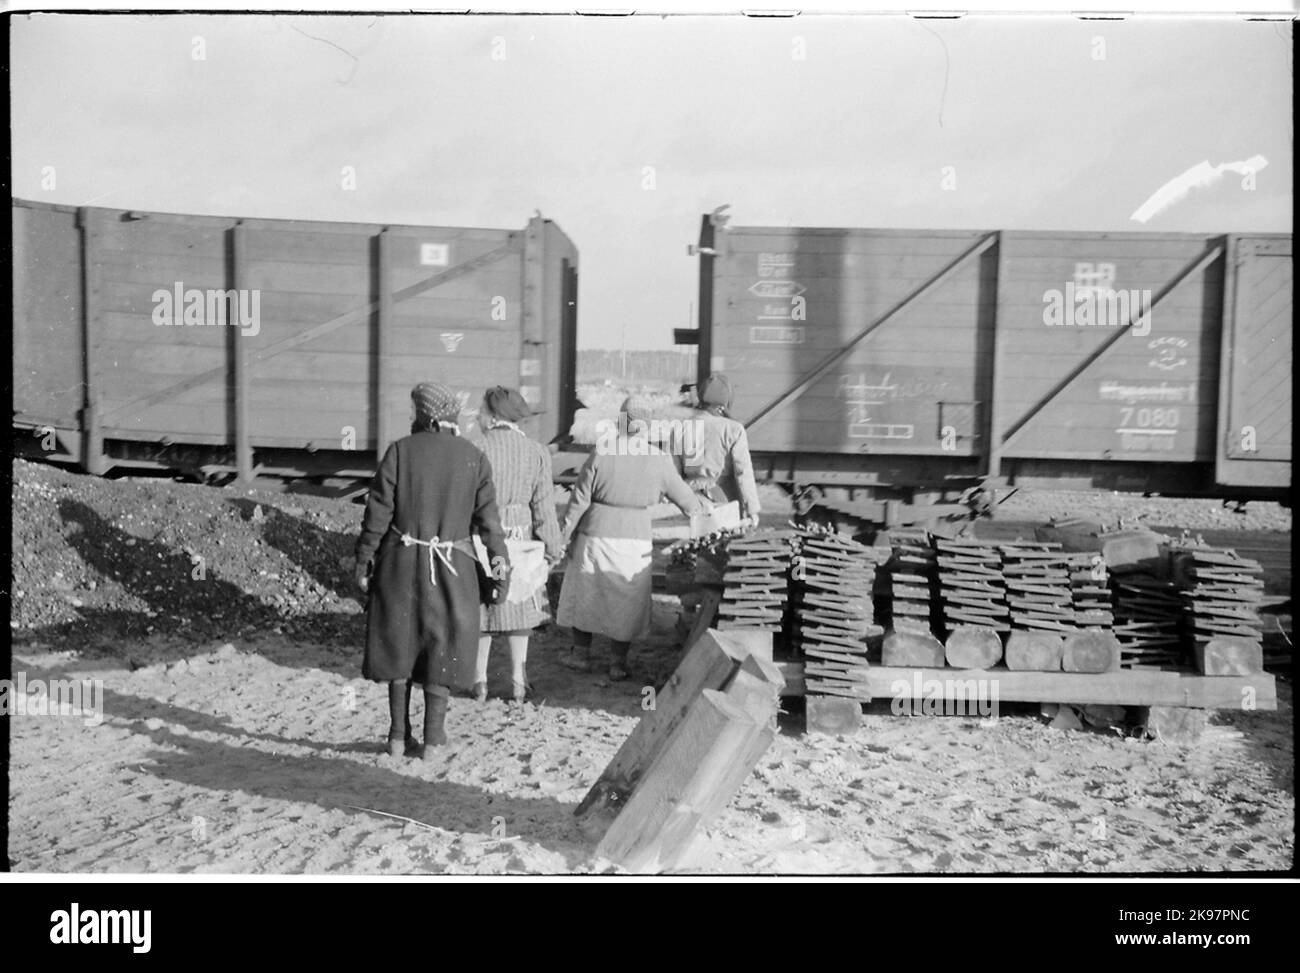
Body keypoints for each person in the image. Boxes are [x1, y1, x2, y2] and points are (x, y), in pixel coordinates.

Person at [355, 382, 509, 760]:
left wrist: (364, 560)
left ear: (423, 415)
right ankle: (434, 739)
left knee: (399, 643)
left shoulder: (399, 452)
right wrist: (500, 564)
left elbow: (377, 514)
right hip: (454, 570)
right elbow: (489, 521)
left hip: (399, 562)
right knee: (444, 645)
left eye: (412, 411)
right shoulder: (473, 457)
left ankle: (396, 736)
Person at [556, 395, 703, 679]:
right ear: (647, 425)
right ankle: (617, 663)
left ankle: (581, 655)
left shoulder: (603, 452)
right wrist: (704, 509)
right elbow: (688, 501)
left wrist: (564, 535)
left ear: (621, 421)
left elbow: (579, 501)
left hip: (596, 533)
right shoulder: (659, 458)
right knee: (627, 600)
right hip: (635, 537)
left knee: (586, 591)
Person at [471, 386, 564, 704]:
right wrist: (553, 548)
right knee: (519, 611)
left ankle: (479, 681)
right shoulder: (536, 451)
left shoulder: (476, 448)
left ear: (492, 415)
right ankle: (518, 683)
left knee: (483, 611)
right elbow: (545, 508)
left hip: (482, 537)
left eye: (482, 409)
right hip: (521, 539)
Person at [680, 373, 761, 525]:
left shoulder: (684, 427)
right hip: (723, 497)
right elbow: (743, 472)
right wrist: (752, 510)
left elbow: (675, 471)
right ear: (723, 405)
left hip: (689, 499)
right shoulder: (733, 429)